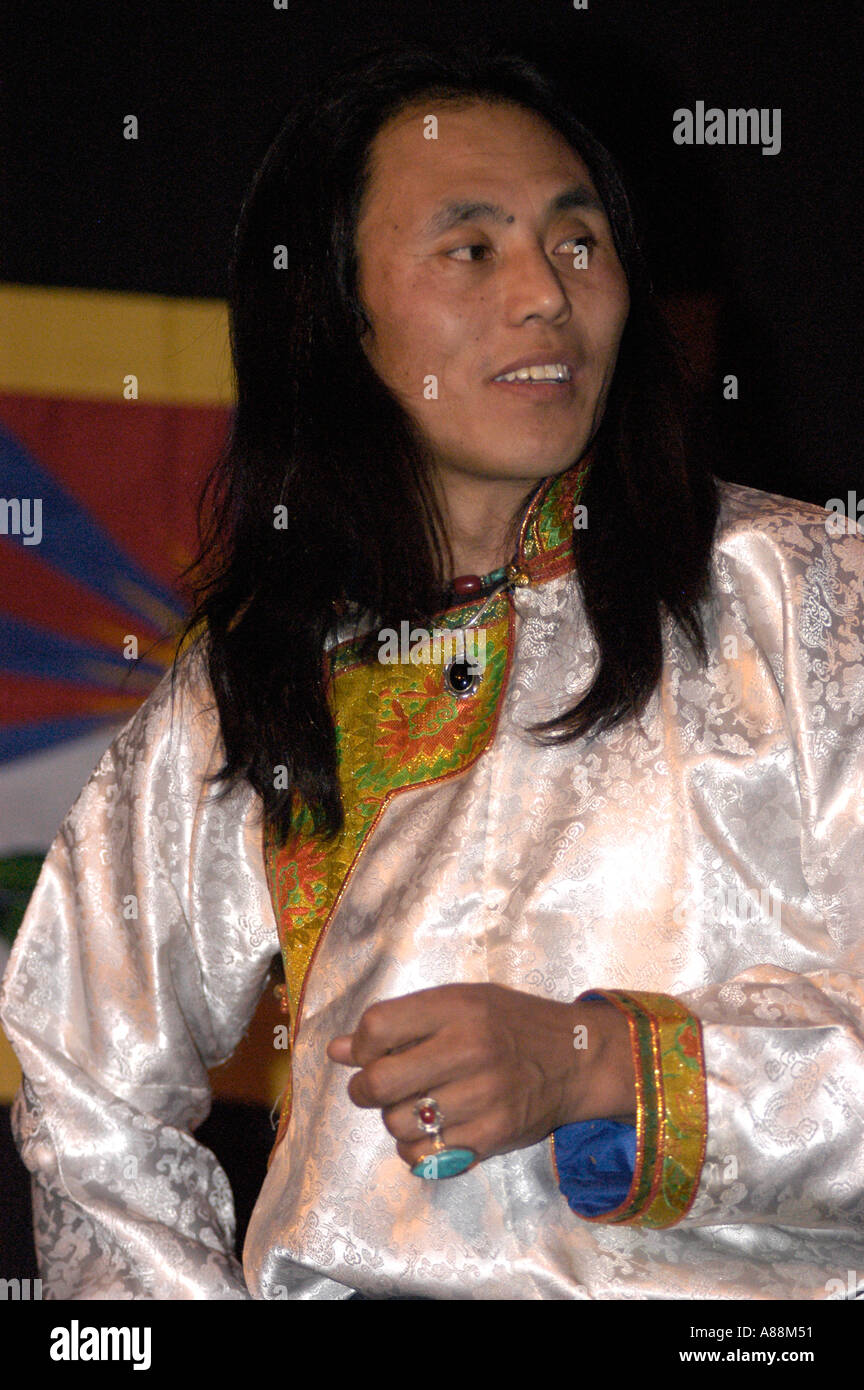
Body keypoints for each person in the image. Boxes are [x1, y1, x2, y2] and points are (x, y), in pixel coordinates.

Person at [2, 42, 863, 1301]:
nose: (546, 297)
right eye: (473, 250)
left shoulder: (808, 594)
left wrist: (599, 1063)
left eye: (578, 243)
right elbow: (79, 1097)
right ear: (337, 315)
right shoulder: (254, 678)